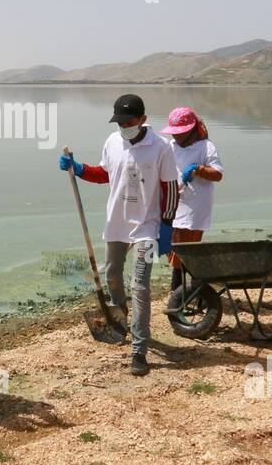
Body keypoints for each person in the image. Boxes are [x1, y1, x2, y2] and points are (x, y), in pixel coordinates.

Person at [58, 94, 179, 376]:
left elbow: (171, 188)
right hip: (116, 225)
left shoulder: (161, 148)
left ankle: (139, 349)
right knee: (112, 274)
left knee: (140, 286)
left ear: (143, 120)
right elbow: (105, 174)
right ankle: (122, 316)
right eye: (119, 121)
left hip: (147, 228)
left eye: (129, 121)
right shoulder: (113, 141)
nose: (123, 125)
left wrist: (166, 226)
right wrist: (79, 170)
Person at [160, 107, 224, 294]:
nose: (176, 137)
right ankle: (187, 292)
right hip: (175, 202)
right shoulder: (171, 147)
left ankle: (184, 293)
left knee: (185, 251)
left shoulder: (206, 147)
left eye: (180, 133)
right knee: (176, 250)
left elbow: (218, 174)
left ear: (191, 130)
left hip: (195, 208)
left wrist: (198, 170)